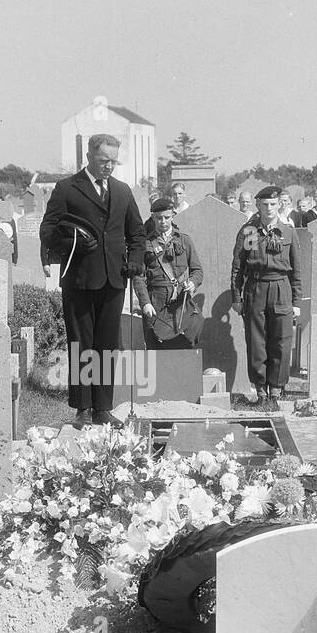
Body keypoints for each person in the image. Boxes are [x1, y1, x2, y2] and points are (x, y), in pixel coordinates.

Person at [39, 133, 145, 428]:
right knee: (82, 344)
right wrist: (71, 239)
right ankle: (83, 409)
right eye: (103, 161)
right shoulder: (67, 189)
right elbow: (48, 230)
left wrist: (134, 259)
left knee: (107, 346)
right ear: (89, 157)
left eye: (113, 161)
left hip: (114, 280)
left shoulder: (122, 191)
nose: (109, 166)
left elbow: (137, 233)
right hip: (80, 279)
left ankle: (102, 407)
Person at [232, 186, 302, 409]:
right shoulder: (249, 232)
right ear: (258, 206)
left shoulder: (288, 232)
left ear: (279, 205)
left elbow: (297, 270)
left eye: (273, 204)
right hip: (256, 287)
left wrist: (297, 302)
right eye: (264, 205)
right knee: (256, 340)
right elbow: (238, 267)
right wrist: (236, 296)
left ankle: (276, 389)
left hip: (281, 288)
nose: (269, 209)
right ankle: (261, 389)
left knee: (281, 340)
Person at [132, 197, 204, 349]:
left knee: (184, 346)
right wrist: (145, 302)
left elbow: (197, 270)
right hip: (155, 301)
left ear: (173, 215)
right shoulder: (145, 244)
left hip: (180, 301)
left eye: (167, 217)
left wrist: (192, 283)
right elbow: (139, 277)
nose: (163, 222)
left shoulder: (185, 241)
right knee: (155, 347)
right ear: (153, 218)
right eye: (158, 218)